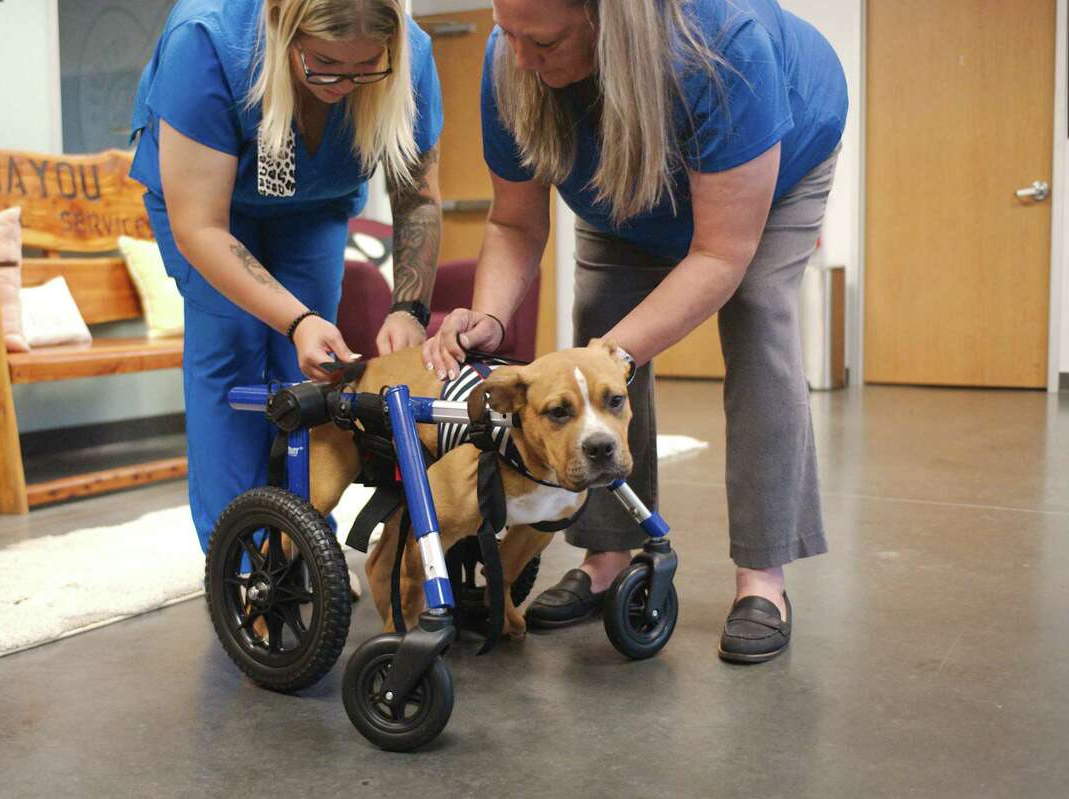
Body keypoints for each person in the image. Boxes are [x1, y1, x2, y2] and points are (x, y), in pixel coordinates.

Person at [423, 0, 847, 663]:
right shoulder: (515, 55)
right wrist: (491, 315)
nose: (522, 60)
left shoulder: (723, 48)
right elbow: (514, 221)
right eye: (511, 37)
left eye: (545, 42)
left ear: (604, 18)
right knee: (598, 317)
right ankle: (606, 557)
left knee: (760, 315)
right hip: (625, 181)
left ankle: (762, 576)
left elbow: (718, 256)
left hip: (778, 162)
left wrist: (616, 357)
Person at [129, 0, 443, 551]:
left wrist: (408, 308)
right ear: (282, 26)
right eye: (324, 63)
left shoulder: (410, 53)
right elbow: (201, 226)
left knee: (309, 371)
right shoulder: (206, 42)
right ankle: (244, 561)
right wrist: (295, 318)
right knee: (232, 346)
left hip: (314, 203)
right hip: (209, 210)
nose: (346, 83)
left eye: (366, 66)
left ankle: (301, 544)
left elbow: (417, 202)